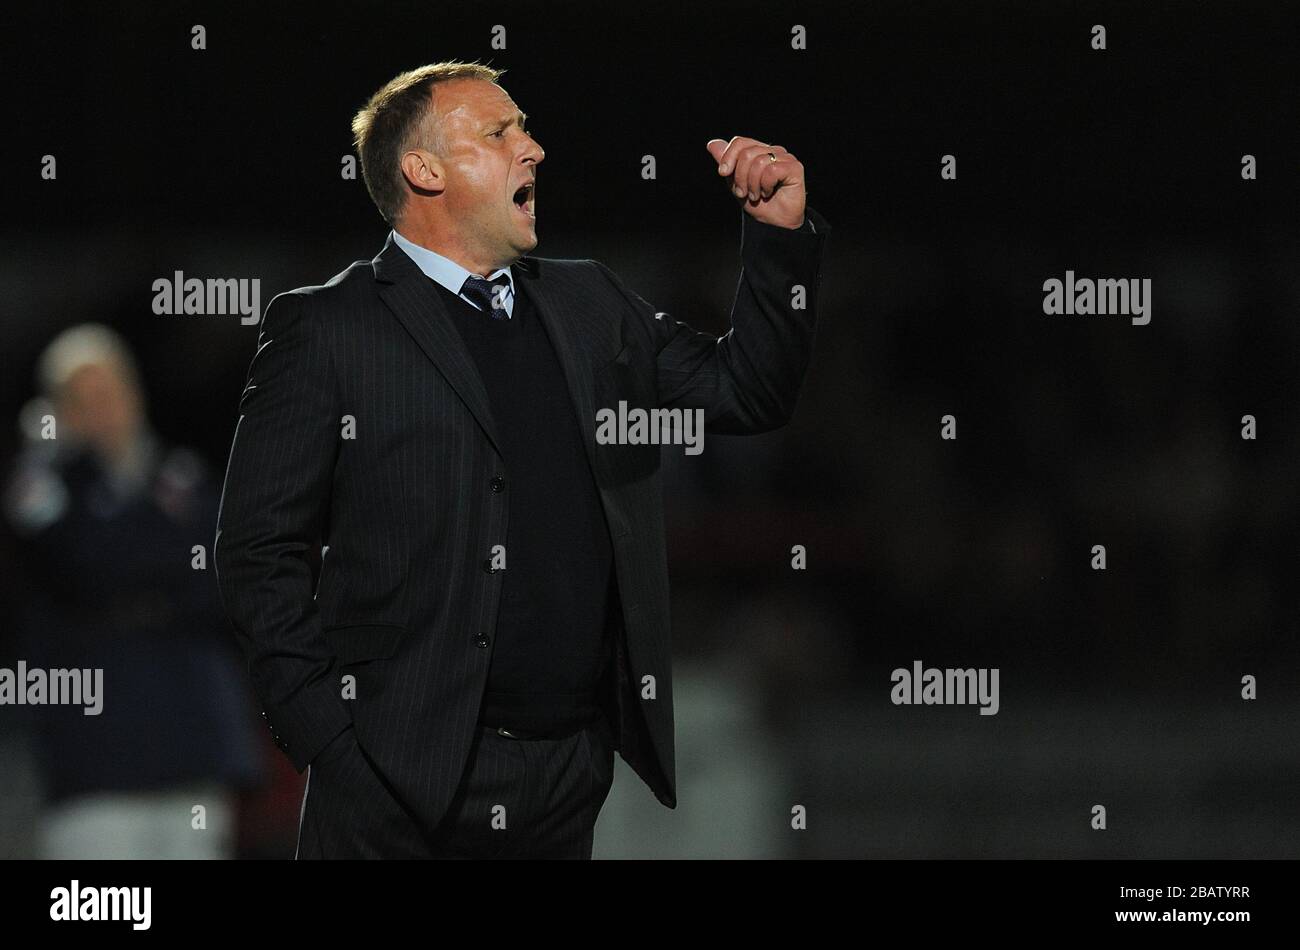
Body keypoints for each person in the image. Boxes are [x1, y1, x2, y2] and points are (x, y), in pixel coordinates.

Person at [214, 60, 830, 859]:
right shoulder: (328, 329)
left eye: (526, 127)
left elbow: (747, 390)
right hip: (392, 780)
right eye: (498, 132)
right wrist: (328, 739)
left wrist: (778, 239)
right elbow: (256, 550)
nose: (532, 147)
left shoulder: (589, 304)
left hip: (563, 775)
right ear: (423, 170)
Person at [4, 323, 263, 858]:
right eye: (82, 399)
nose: (102, 411)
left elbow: (230, 581)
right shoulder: (41, 486)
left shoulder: (184, 477)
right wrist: (162, 563)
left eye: (110, 391)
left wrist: (139, 571)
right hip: (96, 768)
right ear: (57, 411)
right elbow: (83, 566)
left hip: (191, 754)